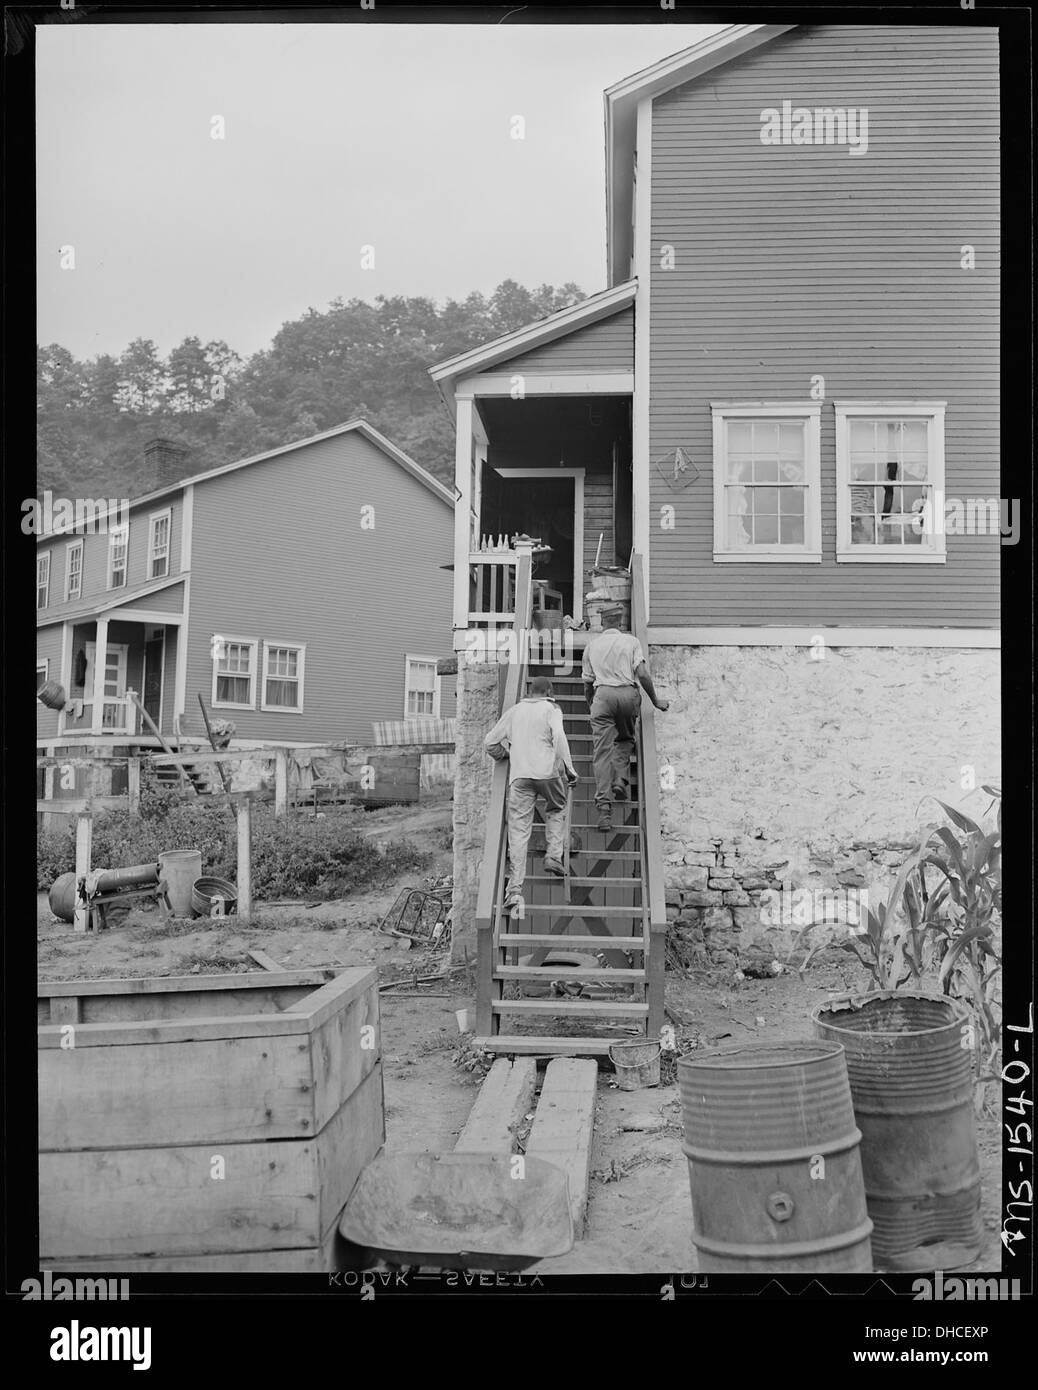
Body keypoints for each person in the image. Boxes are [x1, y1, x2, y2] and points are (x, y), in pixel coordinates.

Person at [484, 676, 578, 913]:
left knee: (518, 832)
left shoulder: (515, 711)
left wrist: (505, 755)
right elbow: (559, 737)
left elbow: (490, 743)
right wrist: (569, 768)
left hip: (520, 777)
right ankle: (553, 855)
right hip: (547, 773)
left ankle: (514, 891)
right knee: (557, 808)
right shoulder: (552, 709)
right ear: (549, 691)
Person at [582, 603, 669, 831]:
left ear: (602, 622)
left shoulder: (592, 645)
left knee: (601, 753)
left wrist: (591, 705)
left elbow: (587, 683)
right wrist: (656, 701)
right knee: (624, 740)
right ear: (620, 622)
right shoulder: (631, 642)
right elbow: (642, 674)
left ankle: (604, 810)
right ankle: (620, 779)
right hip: (627, 694)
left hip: (602, 696)